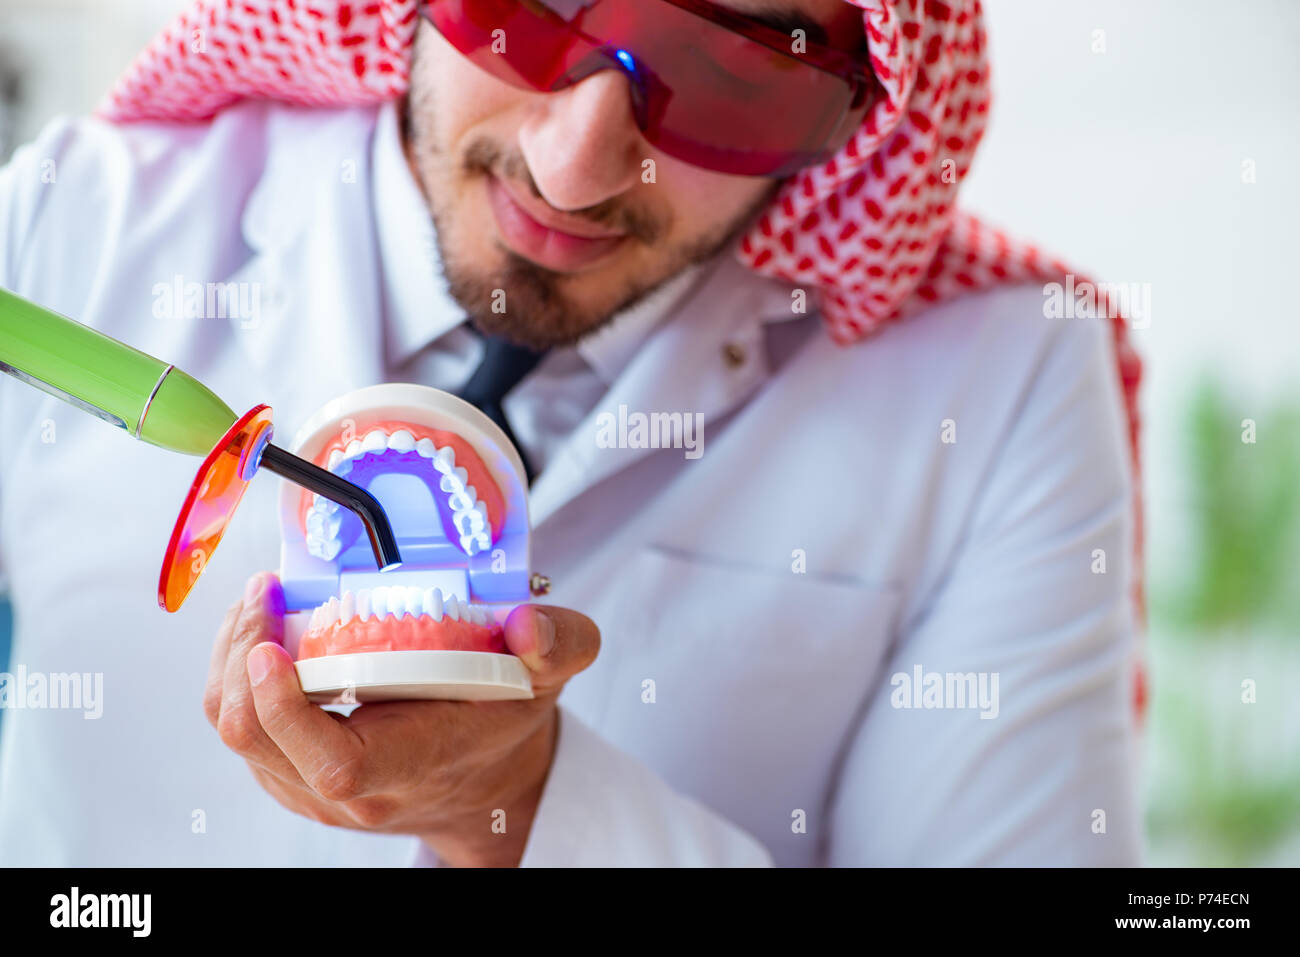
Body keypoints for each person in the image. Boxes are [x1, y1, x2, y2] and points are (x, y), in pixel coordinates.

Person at [0, 0, 1145, 866]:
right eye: (530, 7)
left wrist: (521, 817)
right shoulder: (72, 233)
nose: (572, 170)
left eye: (738, 73)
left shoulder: (997, 391)